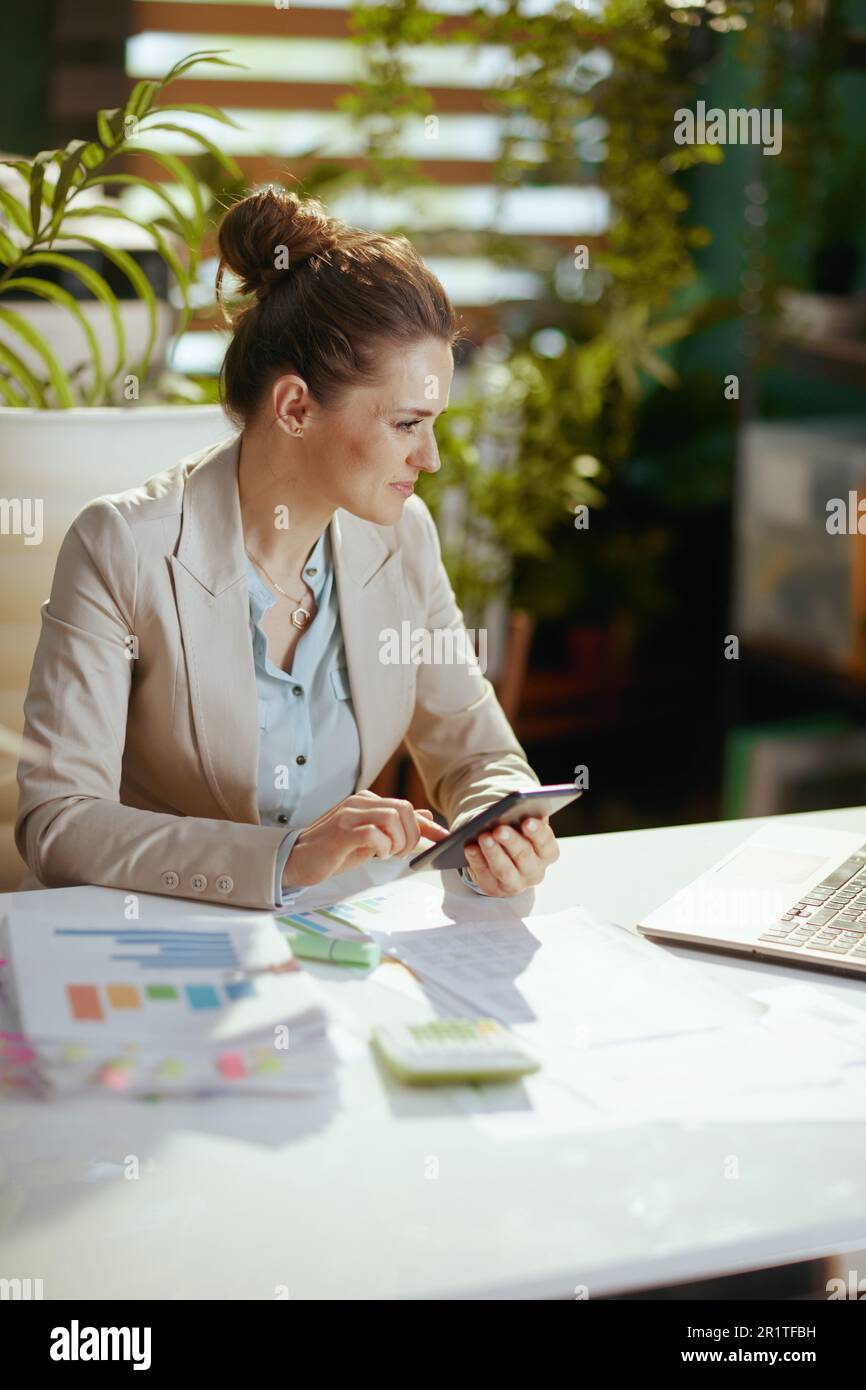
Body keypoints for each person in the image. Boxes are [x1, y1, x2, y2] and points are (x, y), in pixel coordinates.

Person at [15, 189, 559, 910]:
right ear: (295, 407)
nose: (429, 457)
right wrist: (287, 858)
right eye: (405, 424)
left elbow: (477, 751)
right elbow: (59, 824)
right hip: (154, 943)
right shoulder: (122, 547)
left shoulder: (402, 538)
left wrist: (503, 819)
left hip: (330, 950)